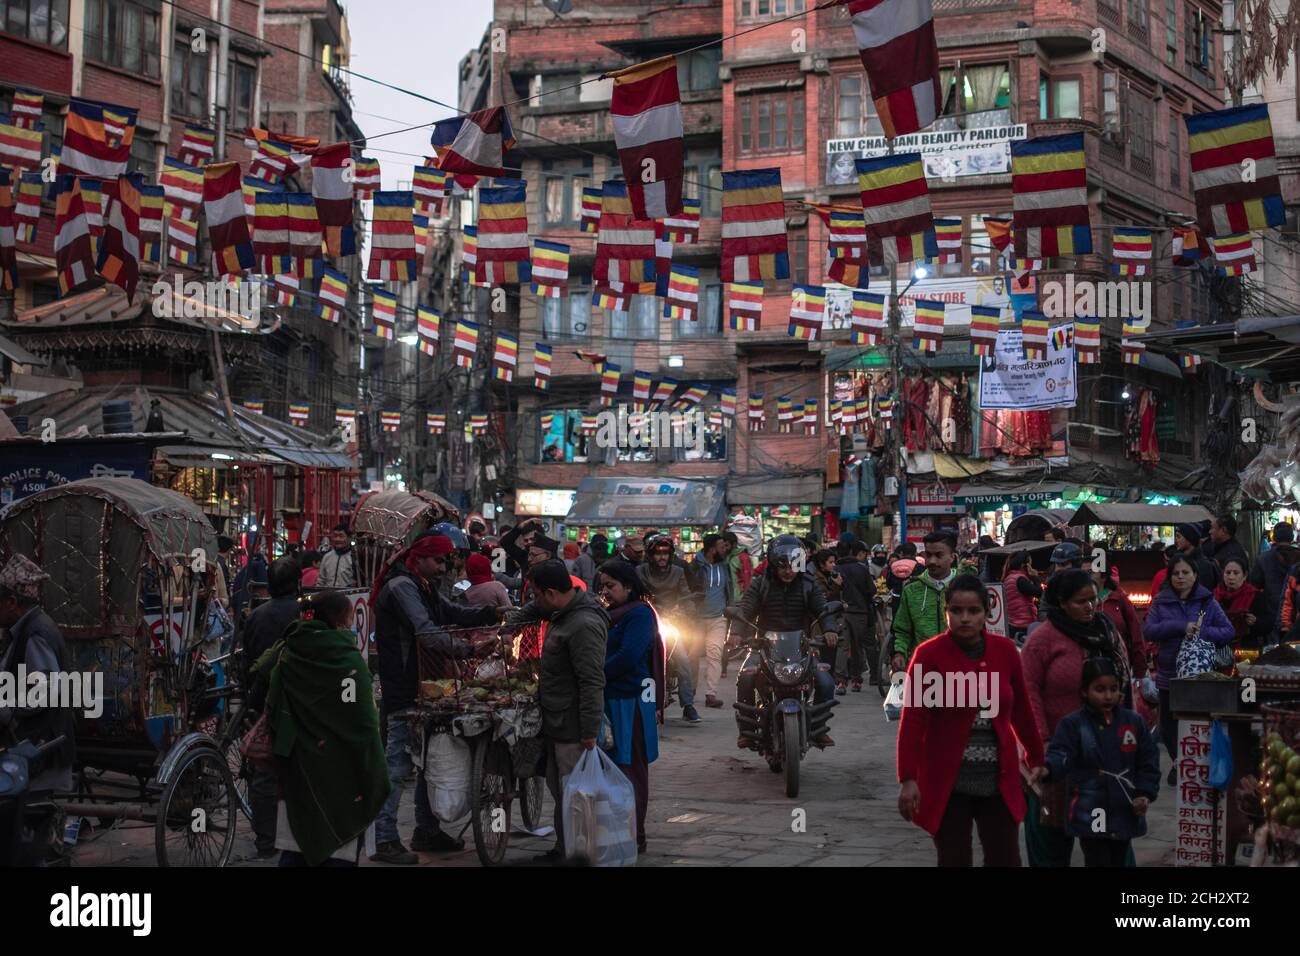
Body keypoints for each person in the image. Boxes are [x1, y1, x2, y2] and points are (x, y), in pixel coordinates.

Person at [895, 575, 1045, 867]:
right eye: (956, 611)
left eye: (973, 611)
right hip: (947, 782)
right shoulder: (928, 655)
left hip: (998, 779)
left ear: (987, 613)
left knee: (1005, 858)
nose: (964, 618)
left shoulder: (1005, 653)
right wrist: (908, 779)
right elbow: (913, 720)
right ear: (946, 612)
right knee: (954, 859)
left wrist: (1035, 756)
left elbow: (1022, 712)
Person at [370, 534, 500, 864]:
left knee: (427, 760)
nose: (443, 567)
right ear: (421, 558)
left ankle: (426, 830)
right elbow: (426, 630)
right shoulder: (402, 587)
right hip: (403, 685)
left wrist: (491, 613)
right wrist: (467, 649)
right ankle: (384, 838)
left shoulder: (423, 585)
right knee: (398, 763)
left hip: (427, 684)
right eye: (438, 561)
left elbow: (451, 611)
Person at [250, 591, 389, 867]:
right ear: (341, 621)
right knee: (338, 845)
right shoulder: (346, 660)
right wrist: (374, 765)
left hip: (298, 763)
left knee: (297, 842)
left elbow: (266, 694)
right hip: (341, 771)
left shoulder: (289, 650)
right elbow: (363, 723)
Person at [1021, 569, 1134, 866]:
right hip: (1056, 756)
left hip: (1105, 757)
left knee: (1111, 846)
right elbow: (1026, 691)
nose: (1090, 607)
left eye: (1092, 600)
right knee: (1051, 843)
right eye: (1080, 602)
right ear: (1061, 603)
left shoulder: (1106, 633)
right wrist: (1041, 744)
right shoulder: (1042, 639)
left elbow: (1124, 681)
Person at [505, 561, 608, 863]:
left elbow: (591, 681)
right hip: (556, 718)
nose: (534, 601)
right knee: (562, 789)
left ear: (550, 592)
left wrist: (589, 730)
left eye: (536, 594)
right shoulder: (560, 610)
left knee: (576, 794)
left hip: (573, 724)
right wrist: (508, 628)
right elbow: (531, 612)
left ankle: (582, 853)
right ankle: (565, 848)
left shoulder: (583, 624)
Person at [1042, 658, 1161, 867]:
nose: (1108, 696)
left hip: (1125, 807)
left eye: (1113, 689)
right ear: (1084, 691)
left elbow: (1148, 761)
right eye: (1099, 689)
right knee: (1097, 859)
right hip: (1090, 809)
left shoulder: (1133, 722)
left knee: (1118, 857)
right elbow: (1061, 754)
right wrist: (1047, 769)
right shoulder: (1073, 725)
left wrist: (1144, 792)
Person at [735, 535, 838, 748]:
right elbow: (745, 611)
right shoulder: (759, 584)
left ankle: (818, 729)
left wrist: (829, 629)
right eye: (782, 567)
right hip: (764, 646)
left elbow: (823, 609)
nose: (788, 572)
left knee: (826, 682)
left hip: (801, 647)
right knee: (745, 678)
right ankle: (746, 730)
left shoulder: (809, 584)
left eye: (793, 566)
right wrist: (736, 633)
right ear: (773, 564)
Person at [1142, 554, 1234, 774]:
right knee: (1169, 724)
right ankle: (1177, 761)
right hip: (1168, 672)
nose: (1181, 577)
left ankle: (1193, 763)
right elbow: (1149, 630)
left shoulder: (1207, 601)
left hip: (1198, 675)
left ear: (1195, 575)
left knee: (1196, 720)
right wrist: (1180, 626)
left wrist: (1203, 632)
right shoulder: (1161, 601)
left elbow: (1228, 631)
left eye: (1186, 573)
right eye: (1176, 573)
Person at [596, 560, 660, 853]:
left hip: (631, 699)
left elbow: (628, 656)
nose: (606, 591)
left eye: (611, 585)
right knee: (614, 767)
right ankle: (615, 832)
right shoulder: (608, 613)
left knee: (631, 767)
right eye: (603, 585)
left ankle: (636, 834)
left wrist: (593, 675)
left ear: (629, 586)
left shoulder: (640, 615)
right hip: (610, 698)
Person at [0, 555, 76, 793]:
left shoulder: (36, 633)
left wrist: (7, 710)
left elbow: (42, 692)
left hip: (42, 750)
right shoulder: (22, 630)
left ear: (12, 602)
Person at [639, 534, 701, 722]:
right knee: (639, 661)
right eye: (658, 553)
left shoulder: (678, 572)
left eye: (666, 553)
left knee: (683, 660)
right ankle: (643, 703)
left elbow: (686, 595)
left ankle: (688, 705)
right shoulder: (640, 572)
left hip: (672, 621)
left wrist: (689, 612)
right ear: (650, 555)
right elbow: (634, 595)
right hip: (647, 621)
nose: (662, 557)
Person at [891, 530, 958, 673]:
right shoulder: (911, 590)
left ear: (952, 557)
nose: (932, 561)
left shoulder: (966, 587)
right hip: (922, 671)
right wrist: (899, 653)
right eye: (928, 555)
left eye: (939, 555)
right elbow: (902, 629)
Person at [834, 539, 875, 690]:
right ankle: (856, 680)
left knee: (842, 647)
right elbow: (872, 591)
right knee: (858, 647)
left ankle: (841, 682)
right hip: (860, 612)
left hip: (841, 612)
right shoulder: (862, 569)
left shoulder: (836, 568)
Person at [811, 549, 849, 694]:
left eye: (834, 562)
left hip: (830, 621)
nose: (833, 565)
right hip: (820, 623)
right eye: (830, 562)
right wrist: (836, 586)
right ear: (821, 565)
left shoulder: (830, 576)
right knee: (823, 653)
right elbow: (823, 600)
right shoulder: (816, 579)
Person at [1251, 522, 1299, 631]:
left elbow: (1254, 588)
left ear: (1274, 538)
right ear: (1291, 538)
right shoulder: (1298, 558)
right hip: (1295, 616)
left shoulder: (1263, 559)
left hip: (1271, 616)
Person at [1215, 557, 1271, 650]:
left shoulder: (1255, 596)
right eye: (1227, 573)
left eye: (1236, 573)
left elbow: (1268, 624)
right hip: (1219, 649)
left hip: (1247, 649)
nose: (1231, 577)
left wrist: (1255, 622)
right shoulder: (1214, 596)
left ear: (1244, 576)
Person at [1002, 550, 1041, 644]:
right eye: (1030, 564)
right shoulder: (1020, 580)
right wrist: (1035, 577)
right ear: (1025, 565)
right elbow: (1038, 593)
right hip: (1023, 624)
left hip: (1013, 622)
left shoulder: (1008, 578)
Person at [1173, 523, 1220, 590]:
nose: (1176, 540)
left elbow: (1203, 592)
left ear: (1189, 540)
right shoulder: (1178, 560)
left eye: (1179, 536)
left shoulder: (1204, 566)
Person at [317, 523, 359, 589]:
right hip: (328, 595)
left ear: (349, 538)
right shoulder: (327, 557)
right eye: (335, 536)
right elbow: (321, 581)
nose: (337, 539)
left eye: (341, 536)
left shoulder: (355, 557)